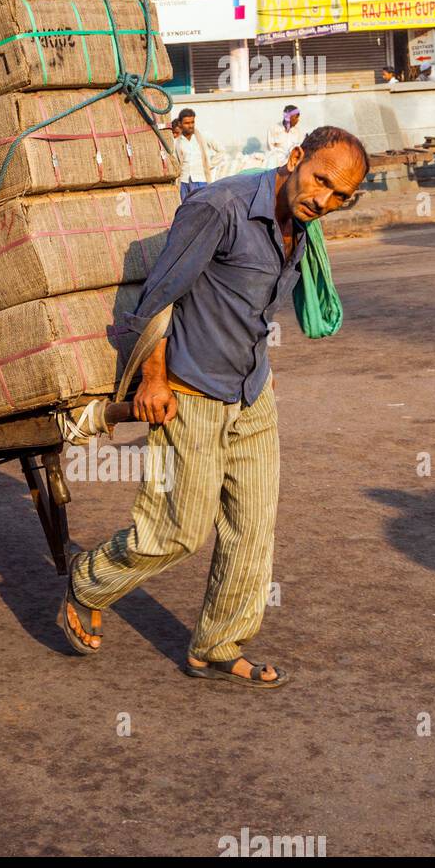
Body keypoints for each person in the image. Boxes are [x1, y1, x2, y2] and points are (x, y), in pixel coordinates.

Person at [59, 126, 369, 689]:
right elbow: (158, 297)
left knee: (252, 528)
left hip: (252, 394)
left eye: (339, 196)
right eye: (320, 180)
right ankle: (89, 581)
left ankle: (218, 644)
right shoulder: (219, 208)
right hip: (191, 393)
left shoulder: (300, 227)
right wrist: (153, 379)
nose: (323, 200)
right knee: (178, 529)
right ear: (296, 158)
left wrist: (259, 378)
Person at [173, 108, 222, 200]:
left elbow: (221, 151)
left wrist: (209, 164)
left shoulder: (204, 136)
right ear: (180, 124)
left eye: (192, 122)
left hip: (201, 180)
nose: (190, 126)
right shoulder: (177, 142)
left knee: (201, 208)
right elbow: (175, 162)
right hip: (184, 181)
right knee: (186, 209)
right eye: (187, 123)